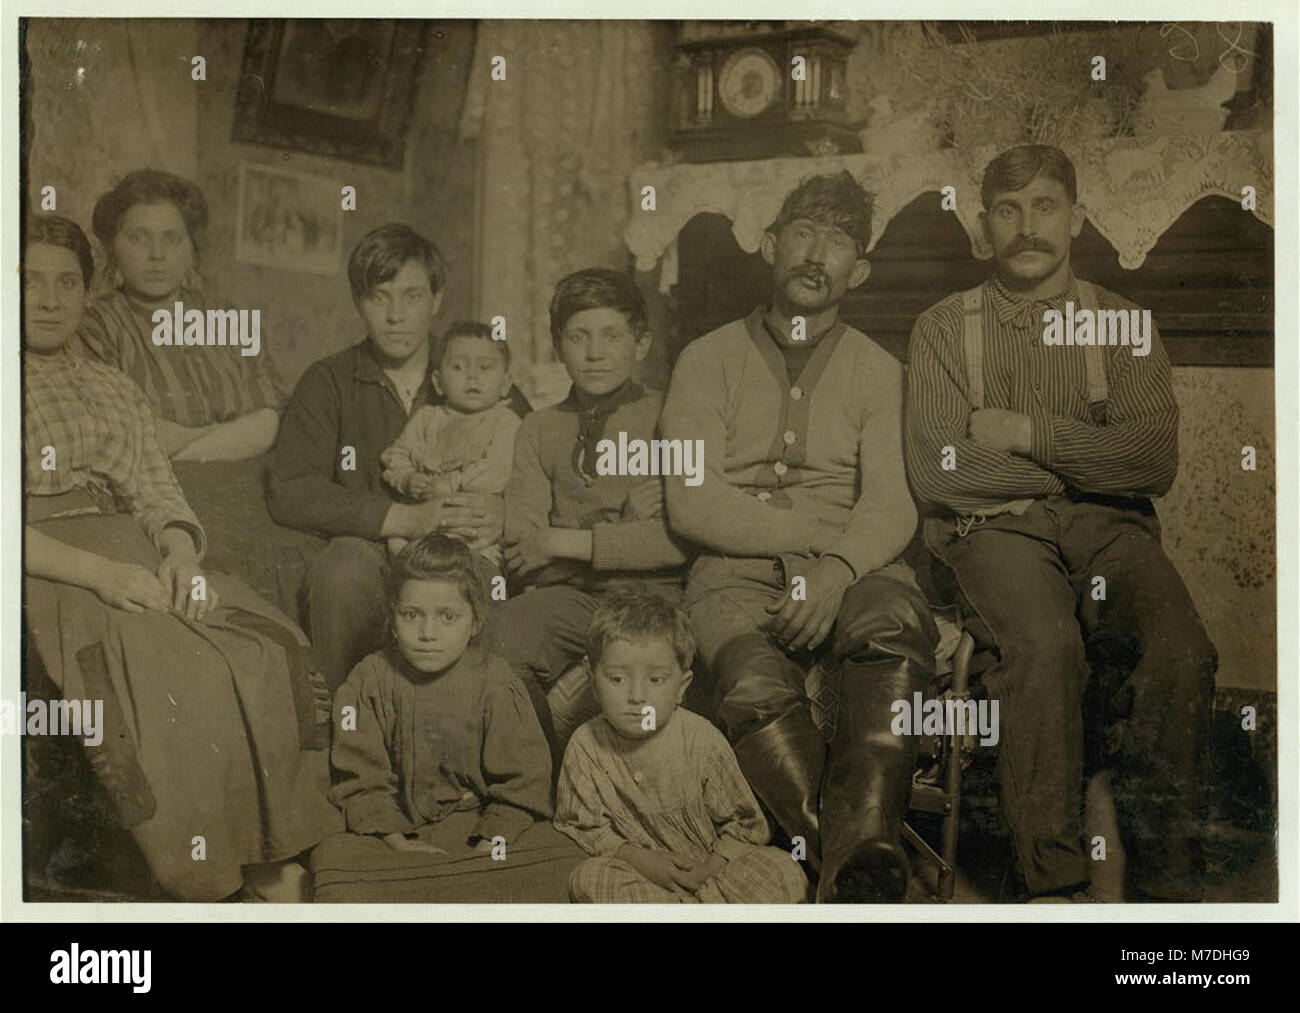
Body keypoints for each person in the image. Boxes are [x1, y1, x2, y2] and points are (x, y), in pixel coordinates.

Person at [903, 144, 1217, 901]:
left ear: (1076, 218)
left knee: (1179, 650)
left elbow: (1154, 461)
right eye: (1007, 210)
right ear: (983, 226)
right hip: (995, 528)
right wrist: (1086, 462)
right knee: (1044, 647)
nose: (1027, 226)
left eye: (1045, 206)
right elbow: (939, 471)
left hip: (1109, 532)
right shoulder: (943, 328)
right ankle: (1055, 884)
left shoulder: (1124, 324)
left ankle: (1168, 891)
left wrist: (1025, 433)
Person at [23, 215, 339, 901]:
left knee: (270, 643)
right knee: (168, 669)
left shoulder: (112, 385)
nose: (48, 300)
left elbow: (155, 487)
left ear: (85, 291)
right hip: (50, 562)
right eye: (28, 282)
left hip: (138, 548)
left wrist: (178, 555)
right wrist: (101, 575)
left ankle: (274, 851)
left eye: (66, 283)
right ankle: (204, 873)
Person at [660, 172, 937, 903]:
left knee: (893, 620)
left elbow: (891, 503)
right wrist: (810, 540)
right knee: (749, 677)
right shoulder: (705, 357)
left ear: (859, 270)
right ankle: (858, 867)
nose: (817, 254)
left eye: (838, 242)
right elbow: (691, 500)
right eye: (803, 233)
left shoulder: (880, 370)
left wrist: (838, 565)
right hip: (733, 569)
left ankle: (842, 872)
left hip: (855, 563)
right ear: (769, 244)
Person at [267, 224, 527, 691]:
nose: (395, 316)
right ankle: (347, 713)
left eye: (411, 297)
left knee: (485, 586)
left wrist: (504, 512)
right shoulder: (328, 380)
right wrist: (401, 518)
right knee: (340, 570)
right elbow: (291, 488)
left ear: (437, 300)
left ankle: (468, 716)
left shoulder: (474, 365)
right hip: (371, 547)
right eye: (379, 297)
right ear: (357, 302)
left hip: (464, 547)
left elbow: (536, 463)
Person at [308, 534, 584, 902]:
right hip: (394, 830)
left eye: (448, 617)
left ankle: (452, 885)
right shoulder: (368, 681)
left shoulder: (497, 681)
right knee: (332, 866)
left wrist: (488, 845)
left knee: (567, 863)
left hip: (481, 827)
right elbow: (360, 780)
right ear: (392, 618)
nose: (427, 633)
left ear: (475, 622)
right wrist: (398, 843)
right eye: (411, 615)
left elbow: (525, 785)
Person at [492, 268, 689, 752]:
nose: (595, 353)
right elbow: (522, 550)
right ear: (558, 346)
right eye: (578, 337)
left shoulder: (673, 417)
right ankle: (542, 776)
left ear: (641, 343)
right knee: (499, 637)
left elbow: (679, 541)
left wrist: (561, 540)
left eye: (612, 336)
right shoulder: (539, 428)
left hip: (657, 597)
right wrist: (624, 527)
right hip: (572, 600)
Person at [555, 590, 807, 903]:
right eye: (617, 679)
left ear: (681, 687)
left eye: (656, 680)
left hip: (717, 871)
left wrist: (709, 870)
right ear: (594, 683)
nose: (637, 696)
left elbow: (744, 824)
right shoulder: (585, 746)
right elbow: (585, 825)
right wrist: (642, 861)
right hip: (646, 883)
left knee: (783, 869)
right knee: (589, 878)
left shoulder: (701, 739)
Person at [77, 169, 281, 461]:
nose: (157, 254)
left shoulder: (229, 319)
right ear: (112, 247)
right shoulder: (95, 326)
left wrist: (177, 443)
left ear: (191, 248)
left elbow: (268, 423)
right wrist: (228, 435)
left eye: (172, 238)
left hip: (244, 483)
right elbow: (118, 432)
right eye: (138, 237)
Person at [380, 321, 521, 583]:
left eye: (485, 368)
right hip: (424, 525)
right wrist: (408, 479)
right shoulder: (426, 418)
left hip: (472, 529)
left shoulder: (506, 422)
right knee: (396, 544)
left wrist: (452, 484)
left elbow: (497, 471)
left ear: (505, 383)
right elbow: (396, 455)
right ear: (438, 382)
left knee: (479, 570)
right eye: (458, 367)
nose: (472, 377)